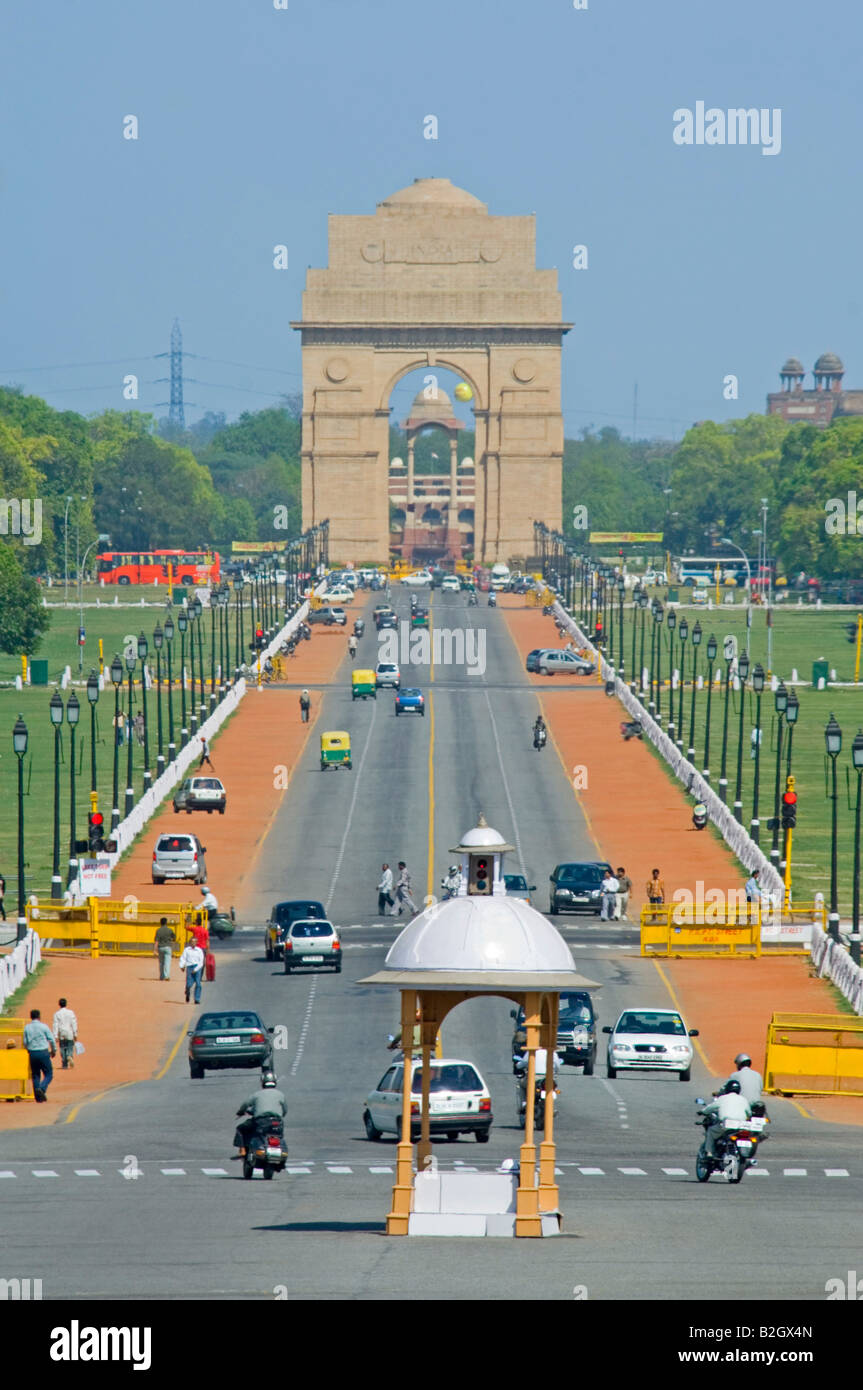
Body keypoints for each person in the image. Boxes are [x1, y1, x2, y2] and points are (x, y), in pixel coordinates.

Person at [234, 1070, 287, 1156]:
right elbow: (284, 1110)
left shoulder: (257, 1095)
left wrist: (241, 1112)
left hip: (261, 1122)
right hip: (277, 1122)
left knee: (241, 1129)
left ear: (262, 1082)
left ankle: (243, 1151)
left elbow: (245, 1104)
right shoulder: (280, 1094)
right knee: (279, 1136)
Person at [701, 1078, 751, 1159]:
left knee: (711, 1131)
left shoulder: (722, 1098)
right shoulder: (744, 1099)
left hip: (726, 1124)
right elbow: (749, 1113)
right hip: (741, 1126)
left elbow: (711, 1108)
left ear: (727, 1089)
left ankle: (709, 1153)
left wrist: (702, 1111)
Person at [514, 1046, 561, 1114]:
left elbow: (521, 1064)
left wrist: (518, 1065)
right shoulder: (552, 1052)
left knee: (520, 1084)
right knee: (552, 1089)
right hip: (549, 1078)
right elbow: (558, 1066)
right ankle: (551, 1108)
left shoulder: (532, 1050)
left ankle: (524, 1104)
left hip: (534, 1078)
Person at [23, 1009, 56, 1102]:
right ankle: (41, 1088)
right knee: (49, 1073)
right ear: (39, 1017)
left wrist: (28, 1050)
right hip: (43, 1052)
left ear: (31, 1017)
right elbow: (51, 1039)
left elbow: (25, 1042)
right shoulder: (44, 1027)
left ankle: (38, 1097)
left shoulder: (27, 1027)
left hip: (32, 1053)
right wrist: (54, 1050)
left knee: (35, 1075)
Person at [52, 998, 78, 1069]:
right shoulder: (71, 1012)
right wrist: (75, 1033)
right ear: (66, 1004)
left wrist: (55, 1035)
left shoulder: (56, 1014)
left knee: (62, 1048)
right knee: (70, 1046)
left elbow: (55, 1025)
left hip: (61, 1032)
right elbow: (74, 1023)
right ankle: (69, 1055)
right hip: (69, 1032)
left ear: (59, 1004)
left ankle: (64, 1063)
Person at [178, 940, 205, 1004]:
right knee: (189, 984)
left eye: (194, 942)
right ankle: (187, 992)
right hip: (189, 967)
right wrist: (182, 966)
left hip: (197, 967)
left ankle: (197, 999)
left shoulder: (199, 950)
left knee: (198, 984)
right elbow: (183, 958)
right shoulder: (187, 950)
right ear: (190, 943)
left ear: (196, 943)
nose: (193, 943)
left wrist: (196, 969)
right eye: (192, 942)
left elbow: (201, 961)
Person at [153, 917, 177, 981]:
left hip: (160, 948)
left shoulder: (158, 930)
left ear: (160, 923)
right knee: (167, 963)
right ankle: (167, 976)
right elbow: (174, 938)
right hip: (168, 947)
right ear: (166, 923)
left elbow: (156, 941)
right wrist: (170, 940)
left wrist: (155, 950)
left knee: (161, 963)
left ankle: (161, 976)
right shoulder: (170, 930)